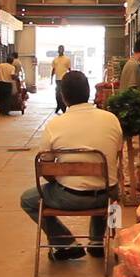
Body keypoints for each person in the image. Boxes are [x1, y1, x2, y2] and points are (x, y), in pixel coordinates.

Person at [20, 71, 122, 260]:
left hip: (71, 198)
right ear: (89, 91)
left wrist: (61, 177)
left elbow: (45, 167)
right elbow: (115, 155)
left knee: (28, 199)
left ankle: (65, 242)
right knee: (107, 186)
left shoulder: (55, 125)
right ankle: (101, 241)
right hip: (108, 197)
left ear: (63, 96)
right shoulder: (111, 119)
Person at [50, 45, 73, 114]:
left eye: (61, 49)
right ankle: (59, 105)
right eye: (59, 49)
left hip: (64, 78)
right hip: (57, 79)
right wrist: (51, 78)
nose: (60, 50)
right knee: (57, 94)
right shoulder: (55, 60)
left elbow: (69, 69)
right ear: (58, 50)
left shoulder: (67, 59)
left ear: (63, 50)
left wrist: (71, 78)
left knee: (63, 93)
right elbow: (53, 69)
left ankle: (63, 107)